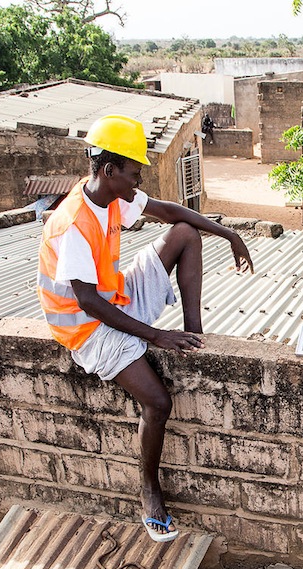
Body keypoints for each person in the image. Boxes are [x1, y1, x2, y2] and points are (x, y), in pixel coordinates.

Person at [37, 114, 254, 542]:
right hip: (88, 329)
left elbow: (172, 212)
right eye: (135, 172)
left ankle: (196, 334)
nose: (139, 180)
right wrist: (155, 336)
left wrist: (227, 232)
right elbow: (87, 302)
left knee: (186, 233)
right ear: (109, 170)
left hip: (115, 297)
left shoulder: (114, 196)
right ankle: (148, 490)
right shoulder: (72, 224)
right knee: (157, 402)